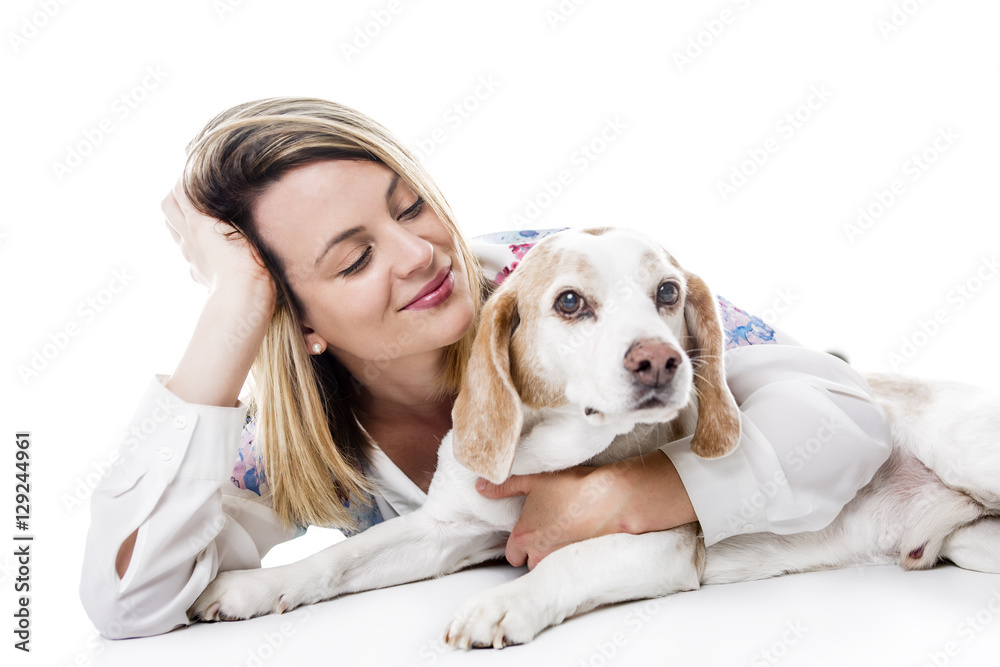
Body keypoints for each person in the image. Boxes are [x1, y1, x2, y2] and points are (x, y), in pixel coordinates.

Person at [79, 97, 892, 639]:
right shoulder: (299, 445)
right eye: (355, 258)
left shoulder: (556, 280)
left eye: (410, 206)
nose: (418, 254)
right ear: (299, 322)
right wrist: (233, 307)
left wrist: (637, 490)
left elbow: (847, 413)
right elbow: (129, 598)